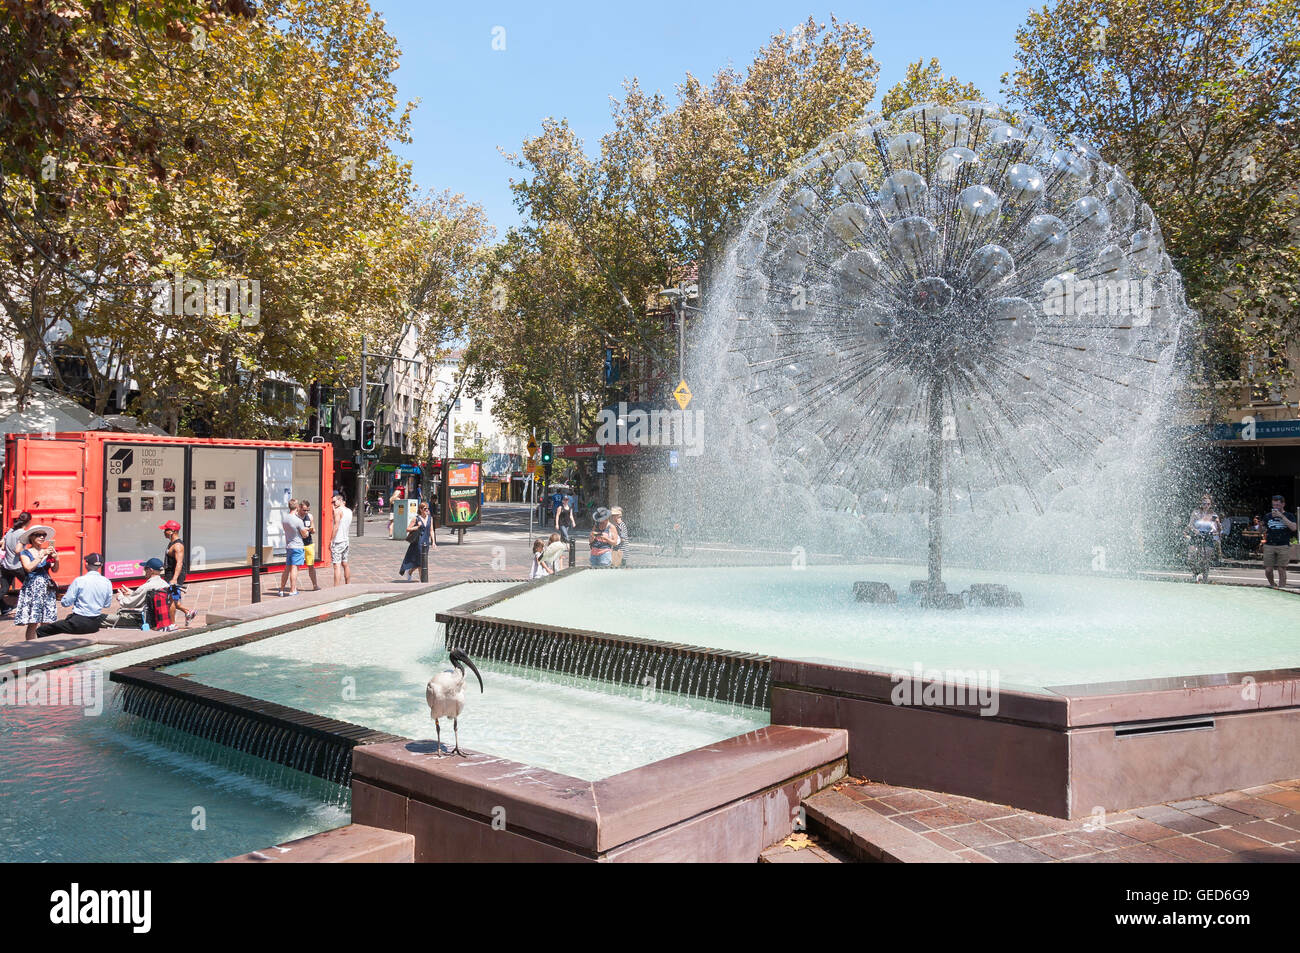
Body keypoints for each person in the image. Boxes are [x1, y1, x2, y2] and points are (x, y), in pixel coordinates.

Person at [36, 552, 113, 637]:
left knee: (42, 630)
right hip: (94, 624)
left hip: (77, 623)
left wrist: (61, 596)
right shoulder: (107, 582)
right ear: (101, 566)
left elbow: (65, 603)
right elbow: (107, 604)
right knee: (63, 625)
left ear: (86, 564)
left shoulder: (79, 581)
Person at [13, 525, 58, 640]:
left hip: (46, 587)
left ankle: (44, 645)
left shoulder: (47, 551)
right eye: (38, 535)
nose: (42, 537)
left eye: (43, 535)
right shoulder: (25, 553)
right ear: (31, 537)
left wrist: (56, 559)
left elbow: (54, 569)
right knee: (33, 622)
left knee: (46, 620)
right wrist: (41, 556)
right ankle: (30, 648)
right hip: (33, 588)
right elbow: (28, 568)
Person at [160, 520, 198, 624]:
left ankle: (172, 625)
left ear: (172, 531)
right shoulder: (171, 543)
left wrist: (174, 579)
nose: (163, 532)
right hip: (170, 574)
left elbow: (179, 563)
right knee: (173, 599)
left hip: (175, 575)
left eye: (165, 530)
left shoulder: (177, 546)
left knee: (171, 600)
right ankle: (188, 612)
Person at [116, 557, 170, 626]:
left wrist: (120, 597)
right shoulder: (164, 584)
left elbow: (127, 603)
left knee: (103, 618)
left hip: (141, 620)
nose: (144, 570)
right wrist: (132, 593)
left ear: (151, 570)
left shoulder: (146, 587)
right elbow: (148, 597)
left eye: (145, 569)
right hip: (158, 619)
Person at [1, 510, 32, 617]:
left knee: (4, 589)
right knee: (31, 585)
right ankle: (29, 609)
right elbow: (18, 550)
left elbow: (3, 545)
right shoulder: (23, 534)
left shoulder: (10, 531)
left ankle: (4, 609)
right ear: (28, 522)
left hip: (6, 565)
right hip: (18, 566)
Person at [1261, 494, 1297, 589]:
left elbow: (1294, 528)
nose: (1275, 507)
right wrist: (1260, 526)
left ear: (1283, 504)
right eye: (1274, 505)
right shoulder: (1268, 516)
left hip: (1283, 545)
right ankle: (1272, 584)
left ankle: (1282, 589)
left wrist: (1281, 516)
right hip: (1269, 545)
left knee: (1281, 569)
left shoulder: (1289, 515)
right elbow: (1261, 531)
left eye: (1278, 505)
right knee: (1268, 570)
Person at [278, 500, 308, 596]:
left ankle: (281, 590)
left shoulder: (285, 518)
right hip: (297, 546)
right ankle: (292, 590)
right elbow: (304, 535)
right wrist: (307, 531)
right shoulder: (298, 520)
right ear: (297, 507)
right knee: (294, 568)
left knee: (287, 568)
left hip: (289, 546)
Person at [399, 501, 431, 581]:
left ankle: (410, 571)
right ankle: (422, 580)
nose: (426, 510)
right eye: (425, 509)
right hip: (418, 542)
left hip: (426, 542)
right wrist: (417, 527)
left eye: (427, 509)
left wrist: (433, 542)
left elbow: (431, 531)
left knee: (420, 561)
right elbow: (408, 529)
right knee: (421, 562)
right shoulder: (416, 518)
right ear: (420, 509)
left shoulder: (430, 518)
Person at [331, 492, 352, 587]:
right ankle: (348, 584)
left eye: (334, 501)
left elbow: (336, 526)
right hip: (346, 540)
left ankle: (336, 588)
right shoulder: (349, 511)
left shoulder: (338, 511)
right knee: (345, 563)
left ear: (340, 500)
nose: (333, 503)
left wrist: (331, 540)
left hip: (338, 540)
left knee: (337, 565)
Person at [299, 499, 320, 591]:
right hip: (298, 544)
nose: (306, 512)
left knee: (311, 565)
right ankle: (292, 587)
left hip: (308, 543)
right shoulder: (296, 517)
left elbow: (314, 530)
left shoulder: (310, 516)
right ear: (299, 508)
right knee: (294, 566)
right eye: (304, 510)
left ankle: (315, 585)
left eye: (307, 510)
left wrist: (311, 529)